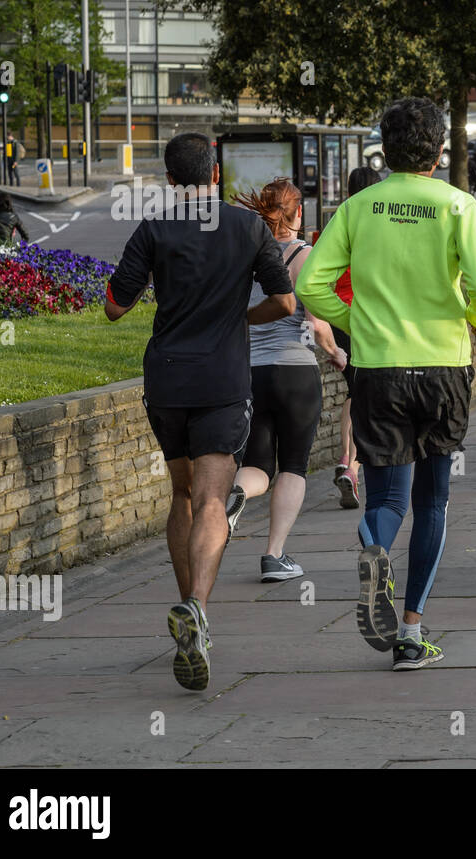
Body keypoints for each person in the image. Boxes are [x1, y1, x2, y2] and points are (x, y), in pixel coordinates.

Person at [295, 98, 476, 671]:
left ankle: (374, 547)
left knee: (387, 498)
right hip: (442, 369)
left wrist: (355, 320)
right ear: (439, 151)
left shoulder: (358, 208)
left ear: (384, 150)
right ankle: (411, 632)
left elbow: (311, 284)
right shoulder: (461, 206)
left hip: (378, 368)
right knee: (433, 500)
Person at [105, 132, 296, 690]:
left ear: (169, 180)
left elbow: (117, 307)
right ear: (215, 175)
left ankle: (190, 610)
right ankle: (197, 609)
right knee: (215, 497)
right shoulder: (249, 227)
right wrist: (242, 318)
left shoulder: (153, 228)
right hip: (221, 380)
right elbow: (285, 302)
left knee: (183, 495)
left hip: (166, 380)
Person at [224, 178, 347, 581]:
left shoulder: (244, 254)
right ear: (297, 214)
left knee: (259, 463)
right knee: (293, 465)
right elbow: (316, 322)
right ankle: (274, 556)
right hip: (296, 373)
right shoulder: (303, 254)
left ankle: (237, 492)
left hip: (251, 372)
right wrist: (337, 354)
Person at [330, 165, 383, 510]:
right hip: (370, 318)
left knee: (352, 389)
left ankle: (344, 459)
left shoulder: (338, 222)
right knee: (369, 394)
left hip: (340, 318)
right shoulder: (381, 225)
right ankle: (354, 467)